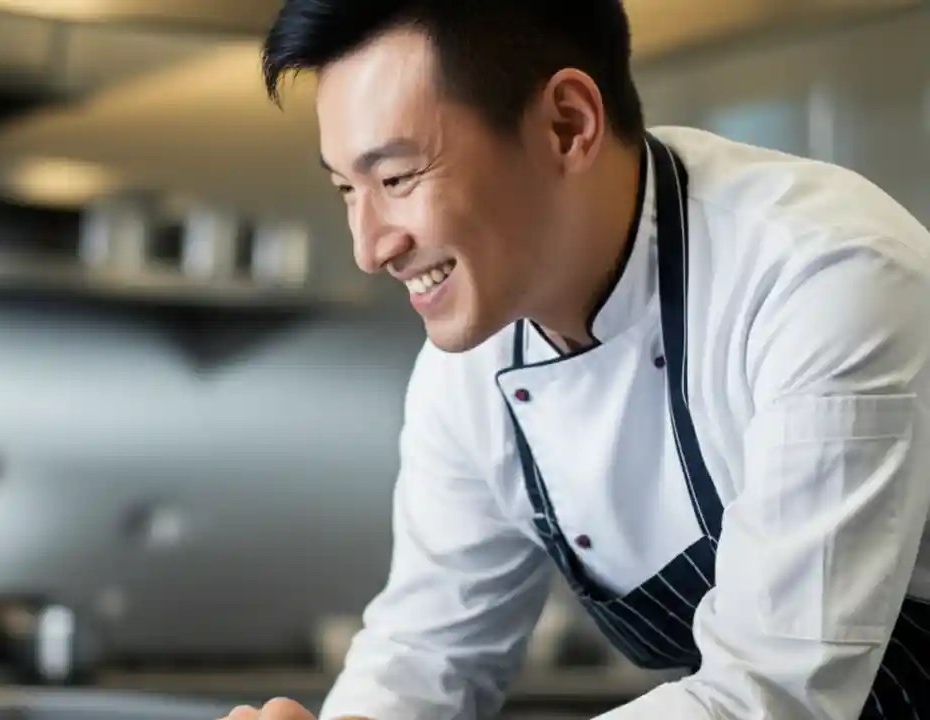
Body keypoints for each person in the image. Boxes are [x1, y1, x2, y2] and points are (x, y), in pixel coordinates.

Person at [220, 1, 930, 719]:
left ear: (567, 125)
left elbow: (772, 696)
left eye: (397, 178)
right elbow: (429, 652)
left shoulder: (819, 277)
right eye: (347, 189)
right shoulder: (469, 365)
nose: (369, 248)